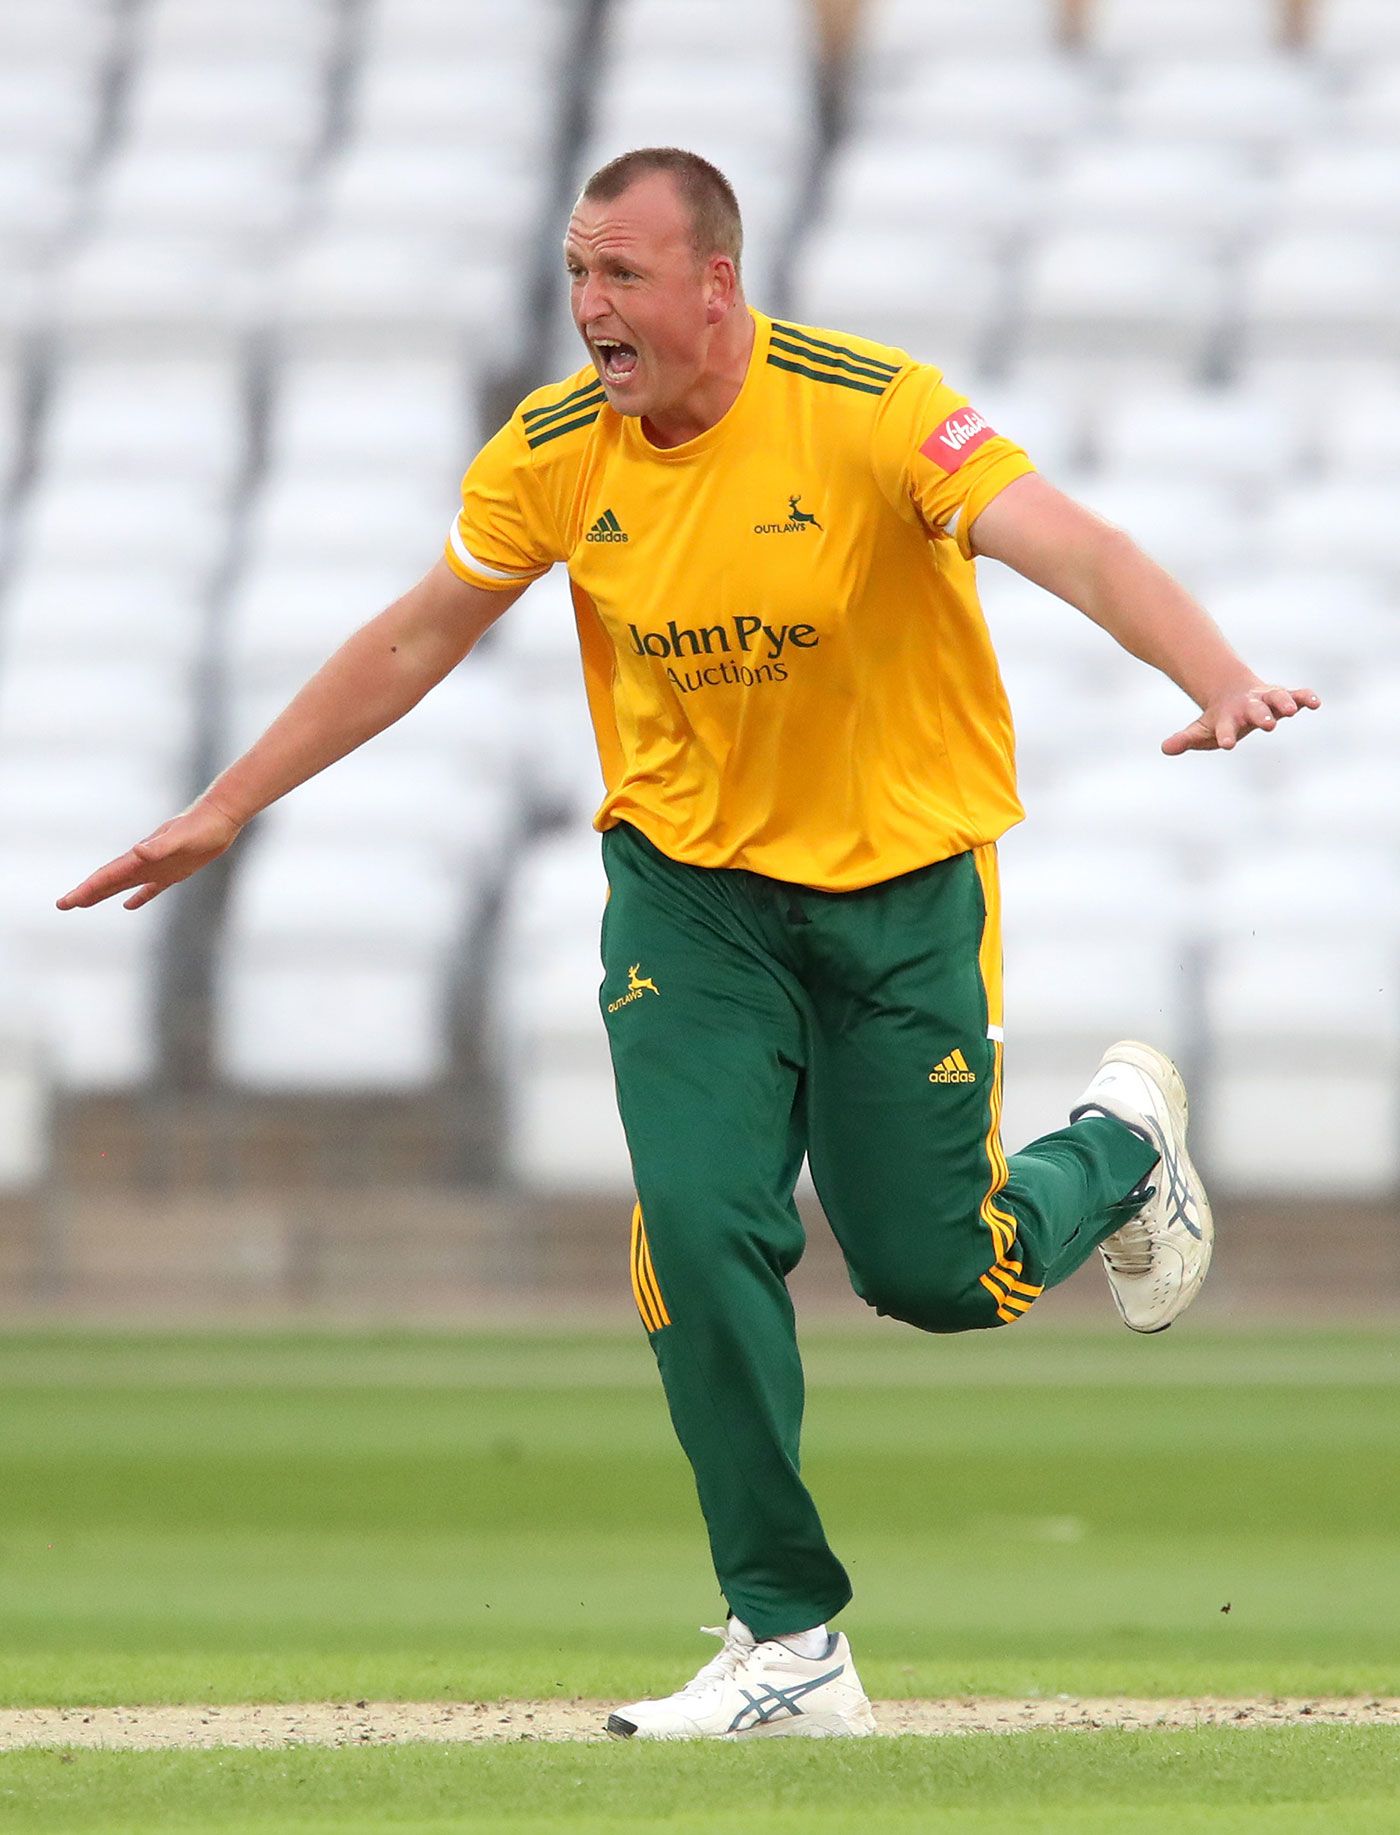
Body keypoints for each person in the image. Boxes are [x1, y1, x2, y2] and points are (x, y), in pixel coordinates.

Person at [59, 147, 1320, 1742]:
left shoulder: (865, 408)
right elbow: (416, 633)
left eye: (623, 276)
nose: (591, 306)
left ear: (714, 285)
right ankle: (787, 1639)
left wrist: (1211, 673)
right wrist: (229, 804)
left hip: (899, 892)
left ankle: (1119, 1151)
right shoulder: (556, 449)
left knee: (938, 1276)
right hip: (690, 897)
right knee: (695, 1221)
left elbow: (1068, 541)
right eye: (578, 272)